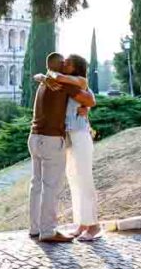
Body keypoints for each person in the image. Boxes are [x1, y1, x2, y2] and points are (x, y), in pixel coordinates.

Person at [36, 54, 99, 241]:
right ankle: (81, 223)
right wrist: (41, 76)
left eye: (69, 62)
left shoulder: (78, 80)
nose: (65, 63)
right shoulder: (67, 85)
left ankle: (94, 226)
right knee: (74, 180)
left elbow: (90, 99)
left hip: (80, 135)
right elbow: (89, 98)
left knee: (85, 180)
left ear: (76, 67)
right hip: (69, 138)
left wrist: (49, 74)